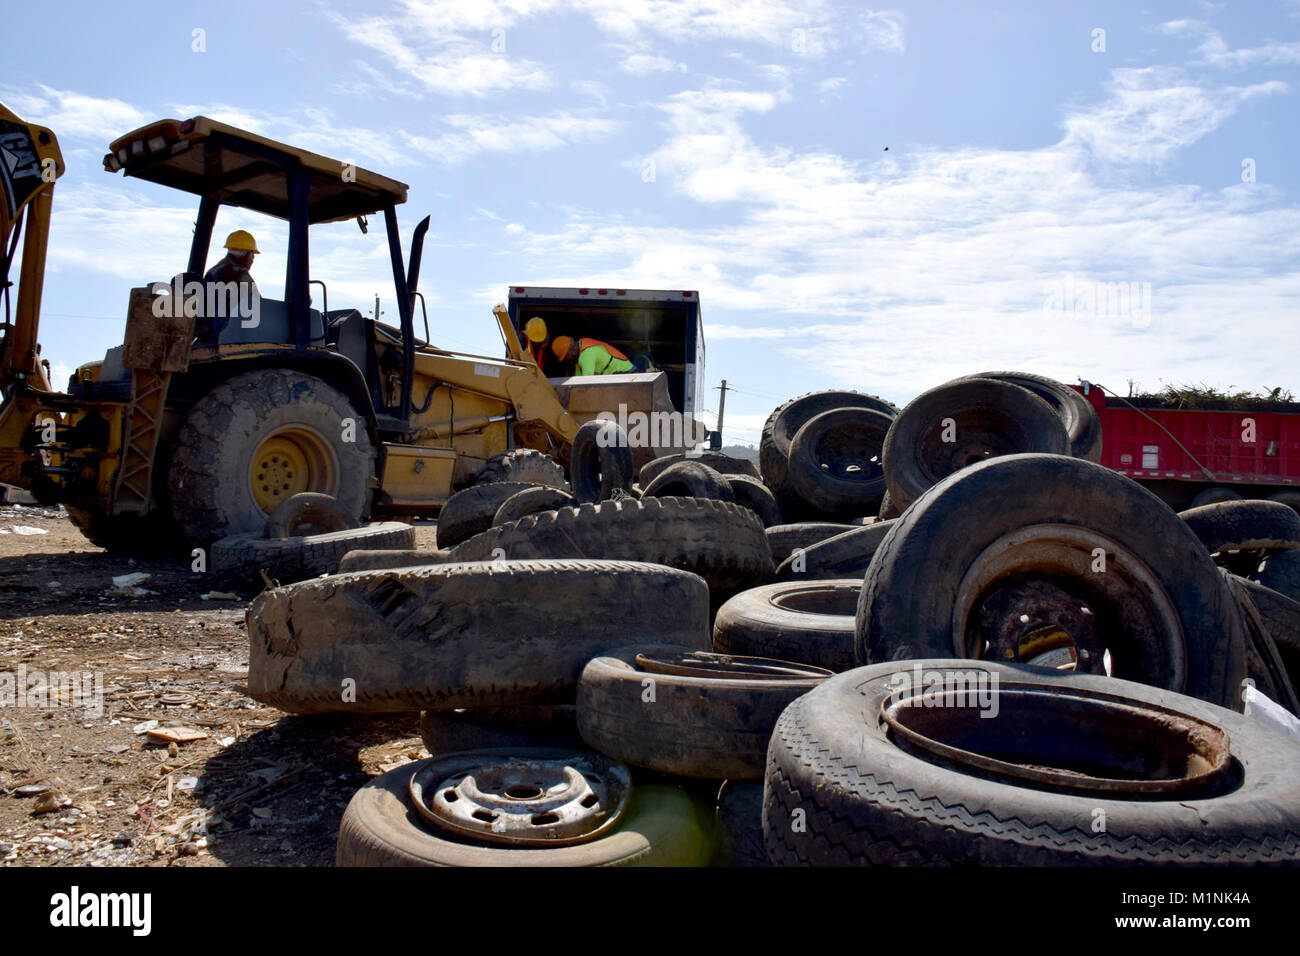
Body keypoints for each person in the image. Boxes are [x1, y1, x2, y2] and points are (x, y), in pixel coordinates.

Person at [199, 230, 261, 343]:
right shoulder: (238, 273)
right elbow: (259, 306)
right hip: (224, 338)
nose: (252, 260)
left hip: (207, 336)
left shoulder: (214, 271)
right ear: (247, 254)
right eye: (252, 255)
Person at [551, 335, 635, 376]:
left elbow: (586, 385)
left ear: (572, 350)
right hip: (619, 376)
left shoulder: (586, 355)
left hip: (627, 374)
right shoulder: (578, 361)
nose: (567, 361)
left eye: (566, 357)